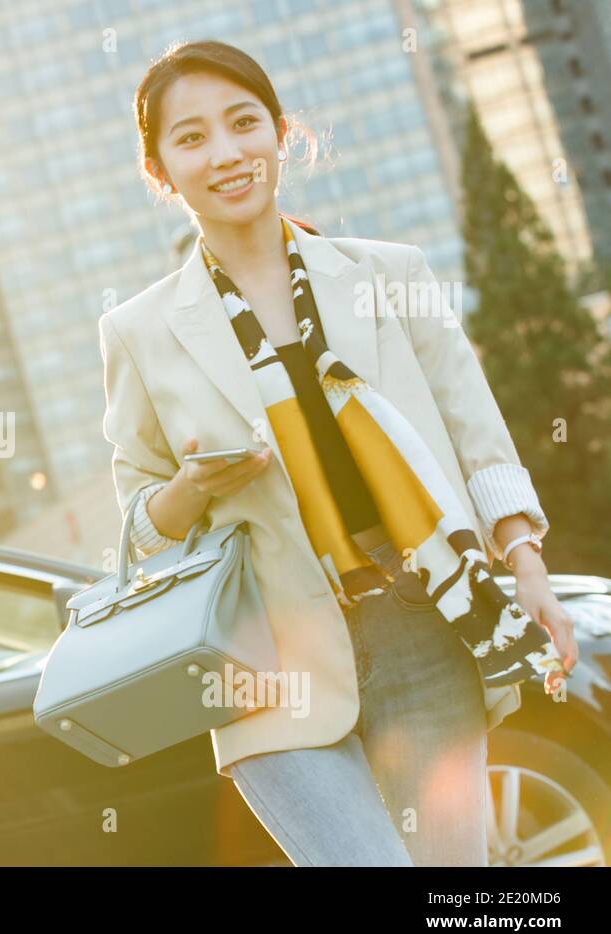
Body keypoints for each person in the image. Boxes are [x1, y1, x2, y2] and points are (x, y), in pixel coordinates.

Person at [101, 38, 578, 865]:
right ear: (159, 171)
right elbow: (141, 529)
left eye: (243, 123)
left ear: (280, 133)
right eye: (191, 138)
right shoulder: (138, 331)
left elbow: (479, 437)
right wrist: (187, 486)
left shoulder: (393, 274)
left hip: (426, 629)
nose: (225, 153)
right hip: (266, 664)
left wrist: (528, 568)